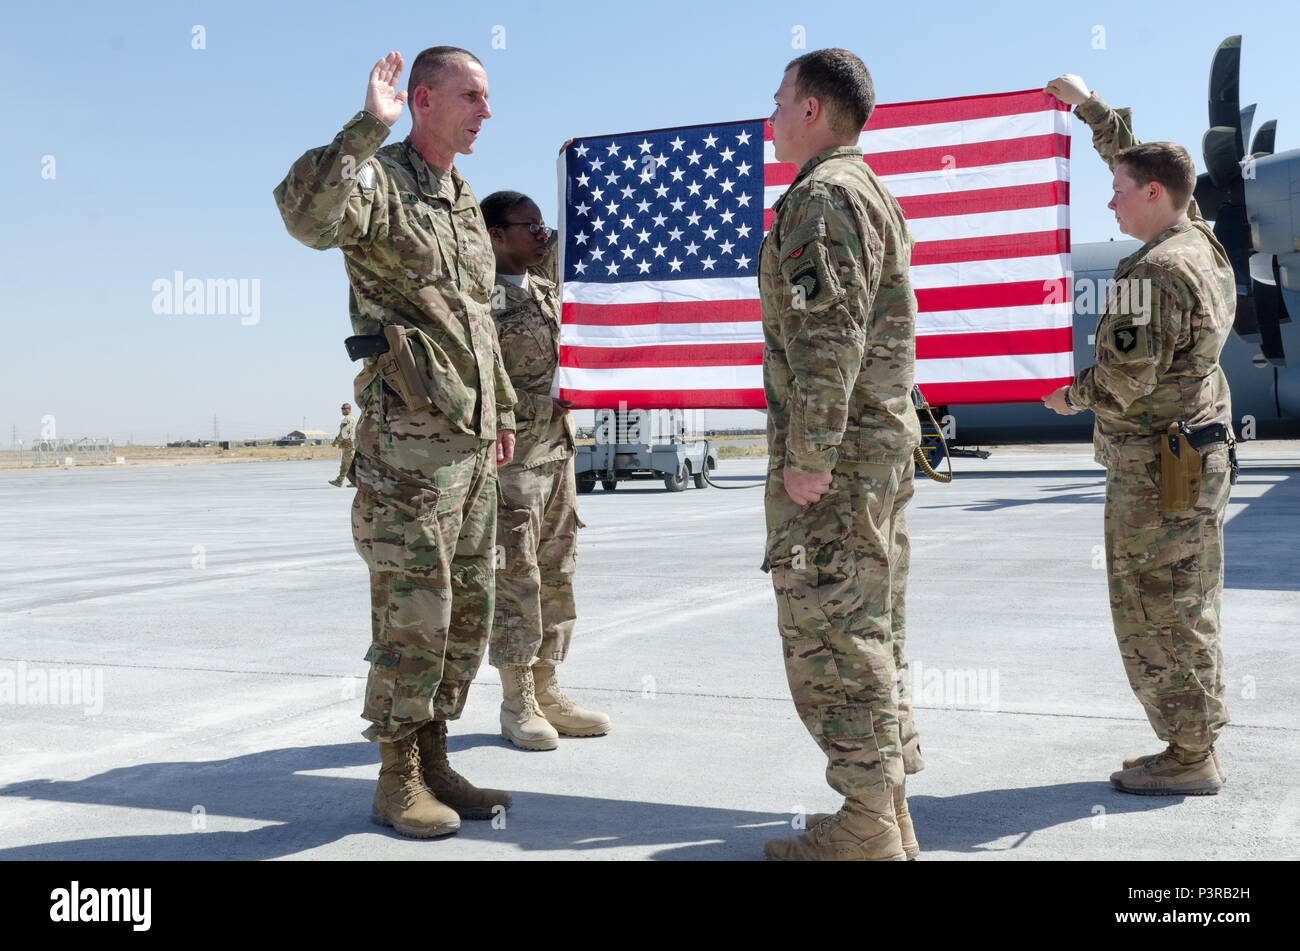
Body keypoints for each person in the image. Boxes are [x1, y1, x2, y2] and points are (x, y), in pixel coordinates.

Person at [274, 47, 519, 838]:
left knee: (466, 612)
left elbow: (478, 323)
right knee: (413, 615)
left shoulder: (462, 198)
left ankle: (436, 753)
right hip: (407, 450)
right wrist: (363, 130)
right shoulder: (381, 182)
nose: (486, 110)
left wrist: (505, 415)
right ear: (422, 100)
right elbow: (304, 216)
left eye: (487, 97)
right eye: (471, 96)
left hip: (473, 447)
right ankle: (396, 777)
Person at [1043, 74, 1234, 796]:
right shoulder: (1199, 243)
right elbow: (1150, 163)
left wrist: (1064, 396)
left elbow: (1120, 382)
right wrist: (1092, 110)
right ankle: (1194, 741)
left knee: (1155, 610)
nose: (1110, 198)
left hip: (1157, 471)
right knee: (1187, 602)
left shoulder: (1155, 274)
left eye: (1120, 189)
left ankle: (1190, 753)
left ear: (1152, 195)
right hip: (1193, 454)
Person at [758, 48, 923, 861]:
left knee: (832, 631)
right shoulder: (867, 191)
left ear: (814, 109)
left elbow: (829, 335)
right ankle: (887, 806)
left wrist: (810, 452)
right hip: (876, 453)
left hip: (841, 458)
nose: (773, 114)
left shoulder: (823, 198)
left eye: (782, 99)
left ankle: (864, 825)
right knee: (873, 626)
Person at [480, 190, 611, 751]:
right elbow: (480, 388)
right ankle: (517, 701)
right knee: (517, 579)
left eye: (544, 227)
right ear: (493, 235)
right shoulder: (479, 302)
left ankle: (549, 685)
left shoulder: (551, 293)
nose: (542, 236)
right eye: (529, 227)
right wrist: (541, 407)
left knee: (558, 572)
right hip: (513, 464)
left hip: (559, 457)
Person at [328, 402, 357, 487]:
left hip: (348, 445)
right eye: (342, 409)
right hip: (350, 444)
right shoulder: (353, 418)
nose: (342, 410)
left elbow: (343, 433)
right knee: (347, 464)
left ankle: (342, 481)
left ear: (349, 409)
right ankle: (340, 481)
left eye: (344, 409)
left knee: (348, 464)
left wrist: (336, 441)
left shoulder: (348, 419)